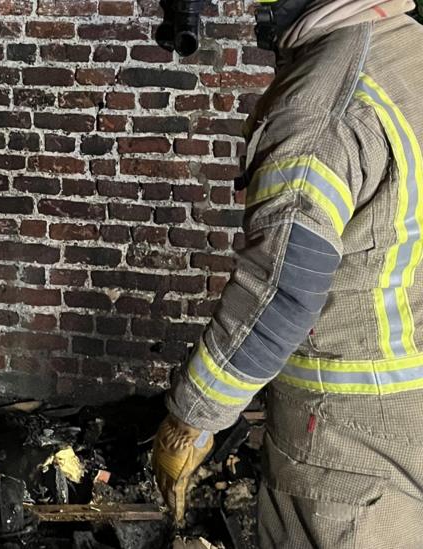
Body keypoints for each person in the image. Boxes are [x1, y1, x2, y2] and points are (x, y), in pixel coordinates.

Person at [151, 0, 423, 546]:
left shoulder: (325, 101)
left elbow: (281, 286)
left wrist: (191, 419)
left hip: (348, 458)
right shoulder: (409, 55)